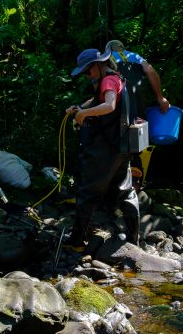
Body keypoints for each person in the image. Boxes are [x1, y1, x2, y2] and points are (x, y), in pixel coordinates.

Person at [63, 48, 140, 251]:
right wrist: (79, 108)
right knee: (125, 190)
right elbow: (99, 100)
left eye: (88, 71)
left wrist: (84, 114)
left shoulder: (108, 80)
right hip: (122, 145)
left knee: (88, 191)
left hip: (106, 147)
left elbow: (109, 105)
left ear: (97, 64)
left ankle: (77, 241)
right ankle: (134, 240)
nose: (87, 75)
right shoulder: (115, 78)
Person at [104, 40, 169, 191]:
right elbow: (151, 72)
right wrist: (160, 97)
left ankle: (116, 185)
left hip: (118, 105)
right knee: (136, 143)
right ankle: (135, 184)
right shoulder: (136, 57)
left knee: (115, 142)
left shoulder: (106, 59)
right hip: (139, 105)